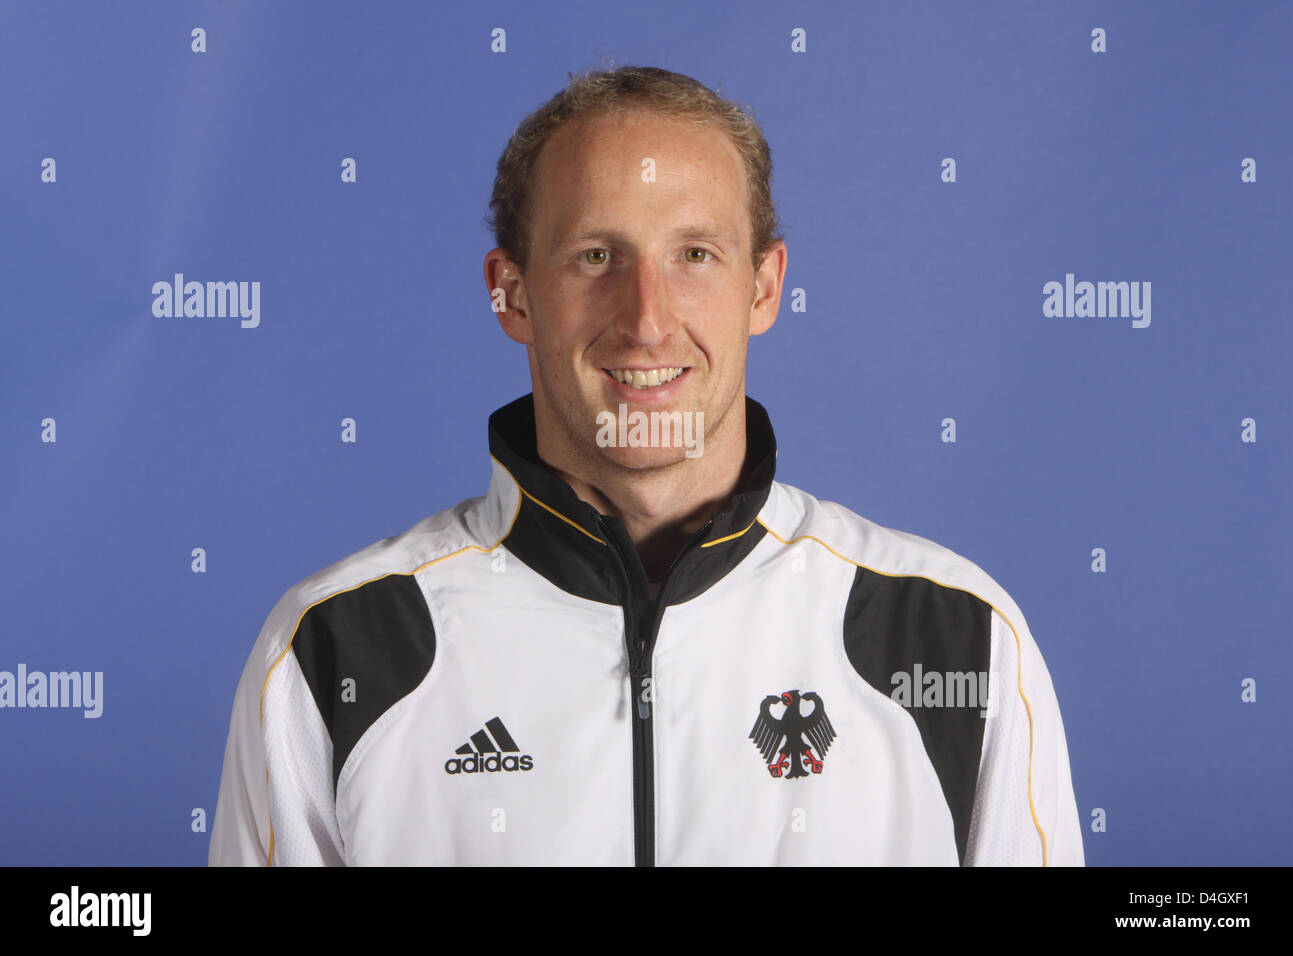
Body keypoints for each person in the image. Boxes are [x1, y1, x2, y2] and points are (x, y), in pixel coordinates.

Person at [209, 64, 1085, 866]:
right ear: (511, 293)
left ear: (764, 287)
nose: (647, 321)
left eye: (694, 255)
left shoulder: (956, 638)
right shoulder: (336, 648)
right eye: (597, 256)